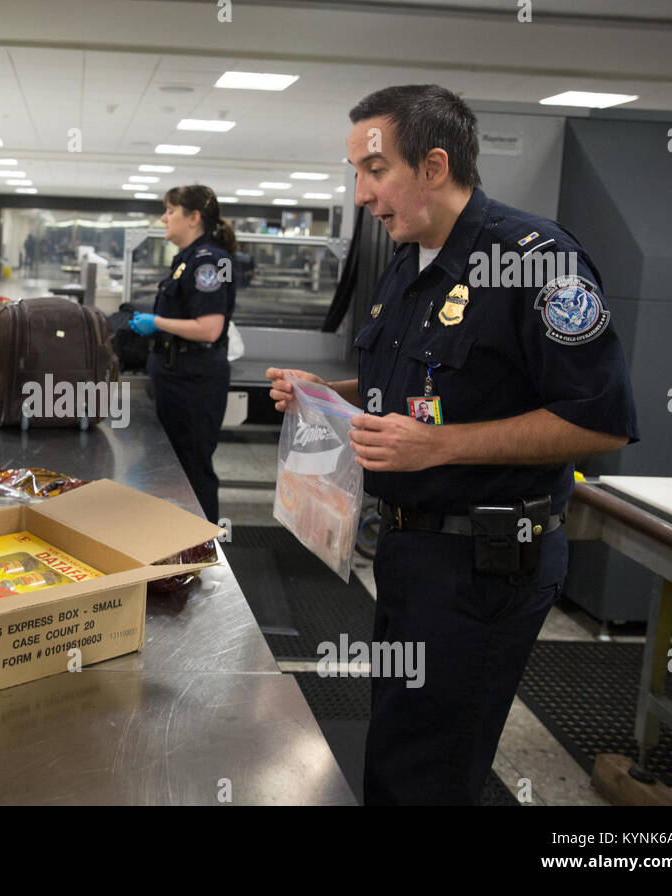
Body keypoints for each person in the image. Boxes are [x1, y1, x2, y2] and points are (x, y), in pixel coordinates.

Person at [267, 84, 638, 805]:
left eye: (376, 171)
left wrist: (437, 447)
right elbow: (418, 390)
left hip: (483, 564)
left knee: (429, 770)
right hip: (409, 550)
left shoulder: (538, 261)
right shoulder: (410, 260)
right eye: (356, 172)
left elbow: (600, 419)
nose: (362, 193)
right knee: (398, 743)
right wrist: (329, 393)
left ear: (434, 166)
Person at [128, 184, 237, 524]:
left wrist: (156, 322)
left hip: (194, 382)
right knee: (173, 466)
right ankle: (173, 537)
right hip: (177, 375)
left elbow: (210, 328)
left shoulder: (209, 262)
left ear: (193, 218)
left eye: (171, 211)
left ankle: (202, 542)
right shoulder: (187, 259)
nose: (164, 218)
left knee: (192, 467)